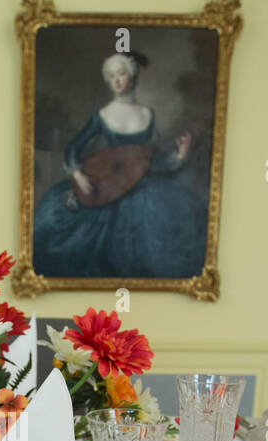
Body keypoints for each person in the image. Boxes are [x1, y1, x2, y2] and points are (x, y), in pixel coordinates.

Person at [32, 52, 206, 279]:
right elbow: (73, 148)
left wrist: (180, 156)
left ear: (132, 77)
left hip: (144, 188)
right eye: (111, 76)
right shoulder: (102, 115)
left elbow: (152, 160)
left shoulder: (147, 114)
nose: (116, 80)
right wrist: (79, 176)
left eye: (121, 74)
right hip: (108, 187)